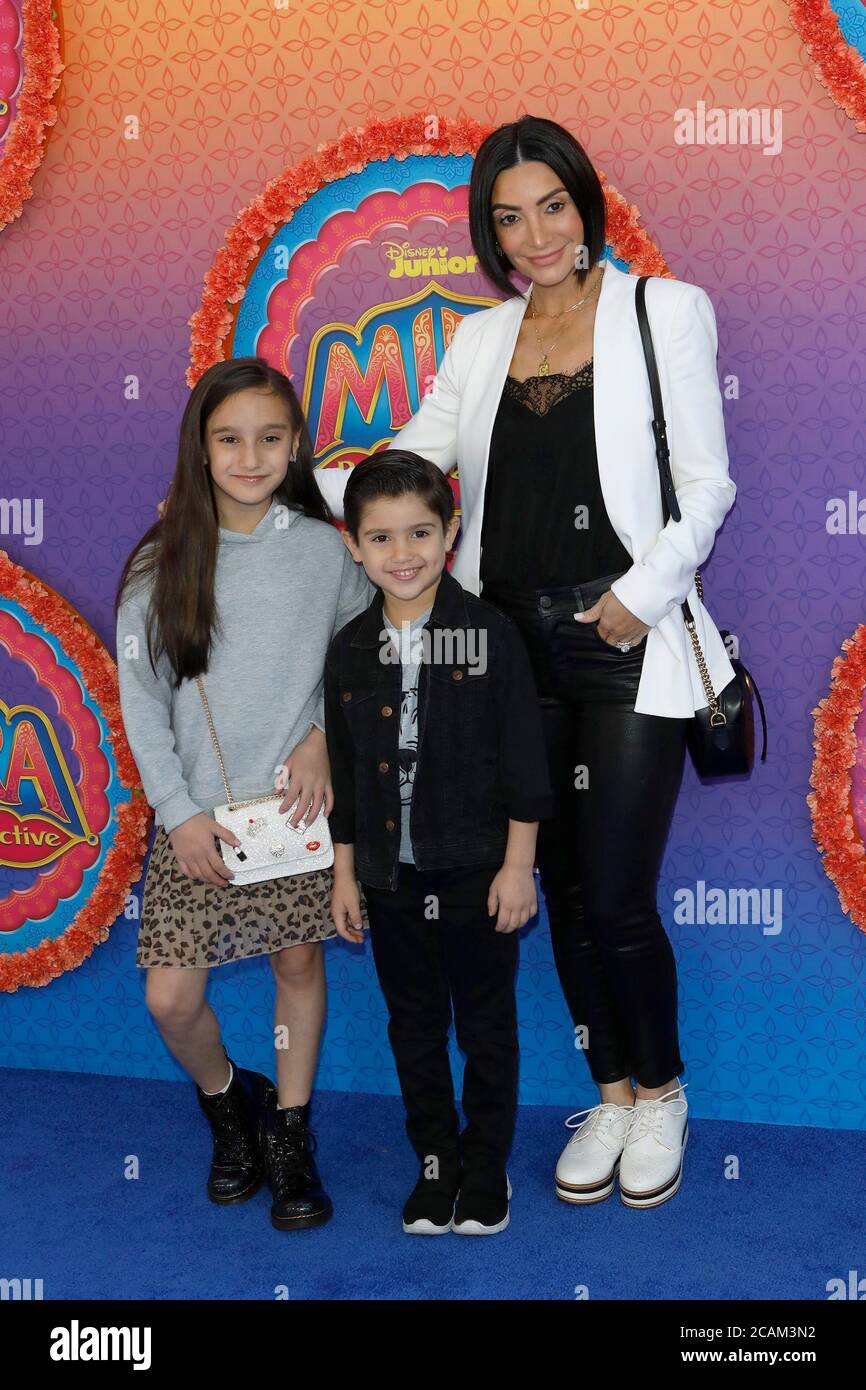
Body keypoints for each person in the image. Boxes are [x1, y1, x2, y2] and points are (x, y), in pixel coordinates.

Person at [316, 115, 737, 1209]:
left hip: (622, 642)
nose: (534, 234)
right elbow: (408, 461)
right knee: (547, 880)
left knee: (616, 894)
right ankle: (607, 1089)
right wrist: (302, 483)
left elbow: (704, 491)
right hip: (503, 648)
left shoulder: (663, 310)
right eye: (508, 217)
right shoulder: (478, 341)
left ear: (585, 202)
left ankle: (662, 1093)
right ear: (486, 232)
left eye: (550, 205)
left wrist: (634, 601)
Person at [115, 356, 372, 1231]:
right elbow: (141, 701)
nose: (250, 456)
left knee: (296, 965)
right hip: (197, 817)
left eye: (269, 437)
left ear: (295, 444)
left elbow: (363, 658)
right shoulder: (162, 560)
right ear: (201, 447)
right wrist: (178, 812)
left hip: (294, 814)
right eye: (229, 439)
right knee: (171, 999)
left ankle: (292, 1133)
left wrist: (322, 740)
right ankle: (232, 1103)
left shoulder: (323, 551)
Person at [325, 449, 555, 1235]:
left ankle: (486, 1166)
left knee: (486, 1023)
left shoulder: (489, 634)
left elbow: (525, 758)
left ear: (451, 533)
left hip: (475, 870)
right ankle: (435, 1164)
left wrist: (518, 865)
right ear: (352, 544)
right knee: (413, 1025)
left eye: (420, 532)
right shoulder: (353, 647)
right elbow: (351, 772)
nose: (403, 554)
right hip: (390, 878)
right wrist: (345, 874)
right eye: (381, 537)